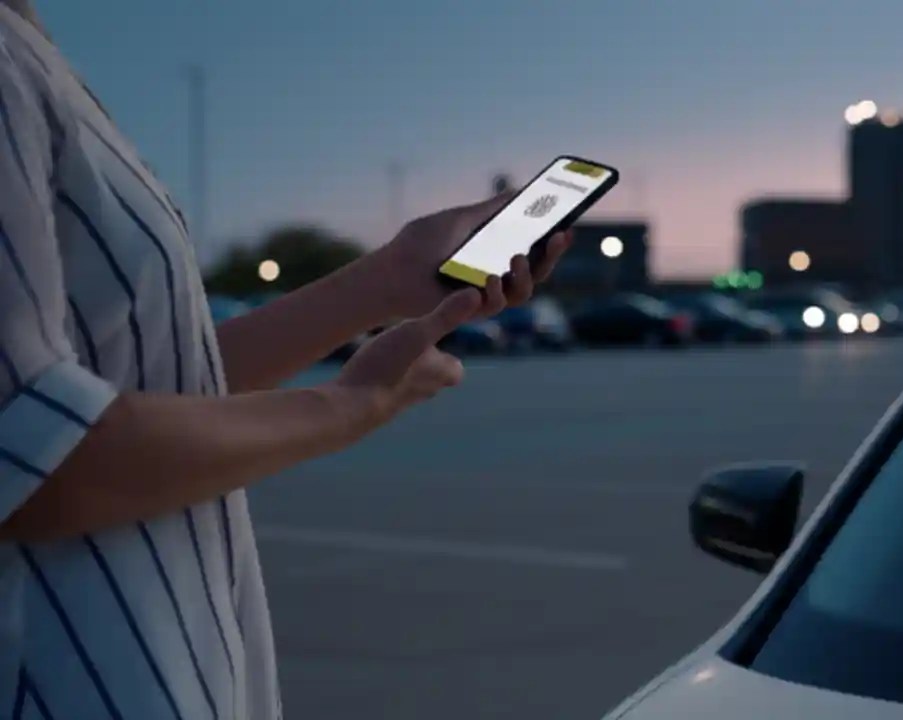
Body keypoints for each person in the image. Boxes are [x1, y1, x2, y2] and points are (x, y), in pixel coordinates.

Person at [0, 2, 571, 717]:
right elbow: (34, 459)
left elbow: (144, 382)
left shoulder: (32, 49)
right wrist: (350, 406)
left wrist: (392, 277)